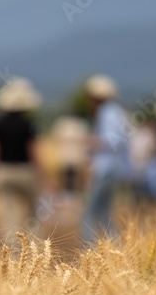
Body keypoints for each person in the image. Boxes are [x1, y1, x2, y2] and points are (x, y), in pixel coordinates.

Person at [0, 78, 45, 246]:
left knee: (9, 215)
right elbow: (33, 152)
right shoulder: (29, 125)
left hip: (4, 171)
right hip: (26, 171)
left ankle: (13, 256)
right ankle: (37, 250)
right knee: (34, 213)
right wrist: (45, 177)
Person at [81, 74, 129, 245]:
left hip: (104, 168)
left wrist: (91, 142)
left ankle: (88, 253)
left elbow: (113, 140)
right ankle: (117, 250)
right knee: (104, 213)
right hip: (113, 168)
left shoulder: (106, 112)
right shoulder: (117, 111)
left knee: (88, 213)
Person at [50, 113, 89, 203]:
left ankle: (70, 196)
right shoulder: (75, 126)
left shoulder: (74, 125)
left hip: (71, 156)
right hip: (67, 156)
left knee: (72, 176)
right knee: (66, 176)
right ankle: (66, 195)